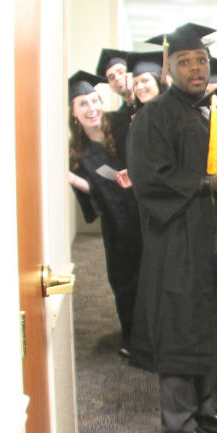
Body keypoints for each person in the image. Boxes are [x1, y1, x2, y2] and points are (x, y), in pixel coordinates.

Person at [126, 22, 217, 433]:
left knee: (210, 320)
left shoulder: (213, 110)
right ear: (168, 67)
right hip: (177, 239)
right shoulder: (154, 117)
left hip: (213, 236)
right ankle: (178, 424)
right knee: (180, 323)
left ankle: (204, 407)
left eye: (201, 60)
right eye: (185, 62)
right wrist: (206, 184)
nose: (196, 68)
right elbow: (147, 180)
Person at [67, 70, 143, 358]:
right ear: (74, 113)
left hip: (142, 213)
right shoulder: (78, 151)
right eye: (83, 104)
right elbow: (96, 191)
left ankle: (155, 335)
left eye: (94, 100)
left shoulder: (121, 124)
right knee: (123, 279)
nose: (91, 108)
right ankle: (132, 336)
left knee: (150, 276)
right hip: (116, 222)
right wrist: (74, 180)